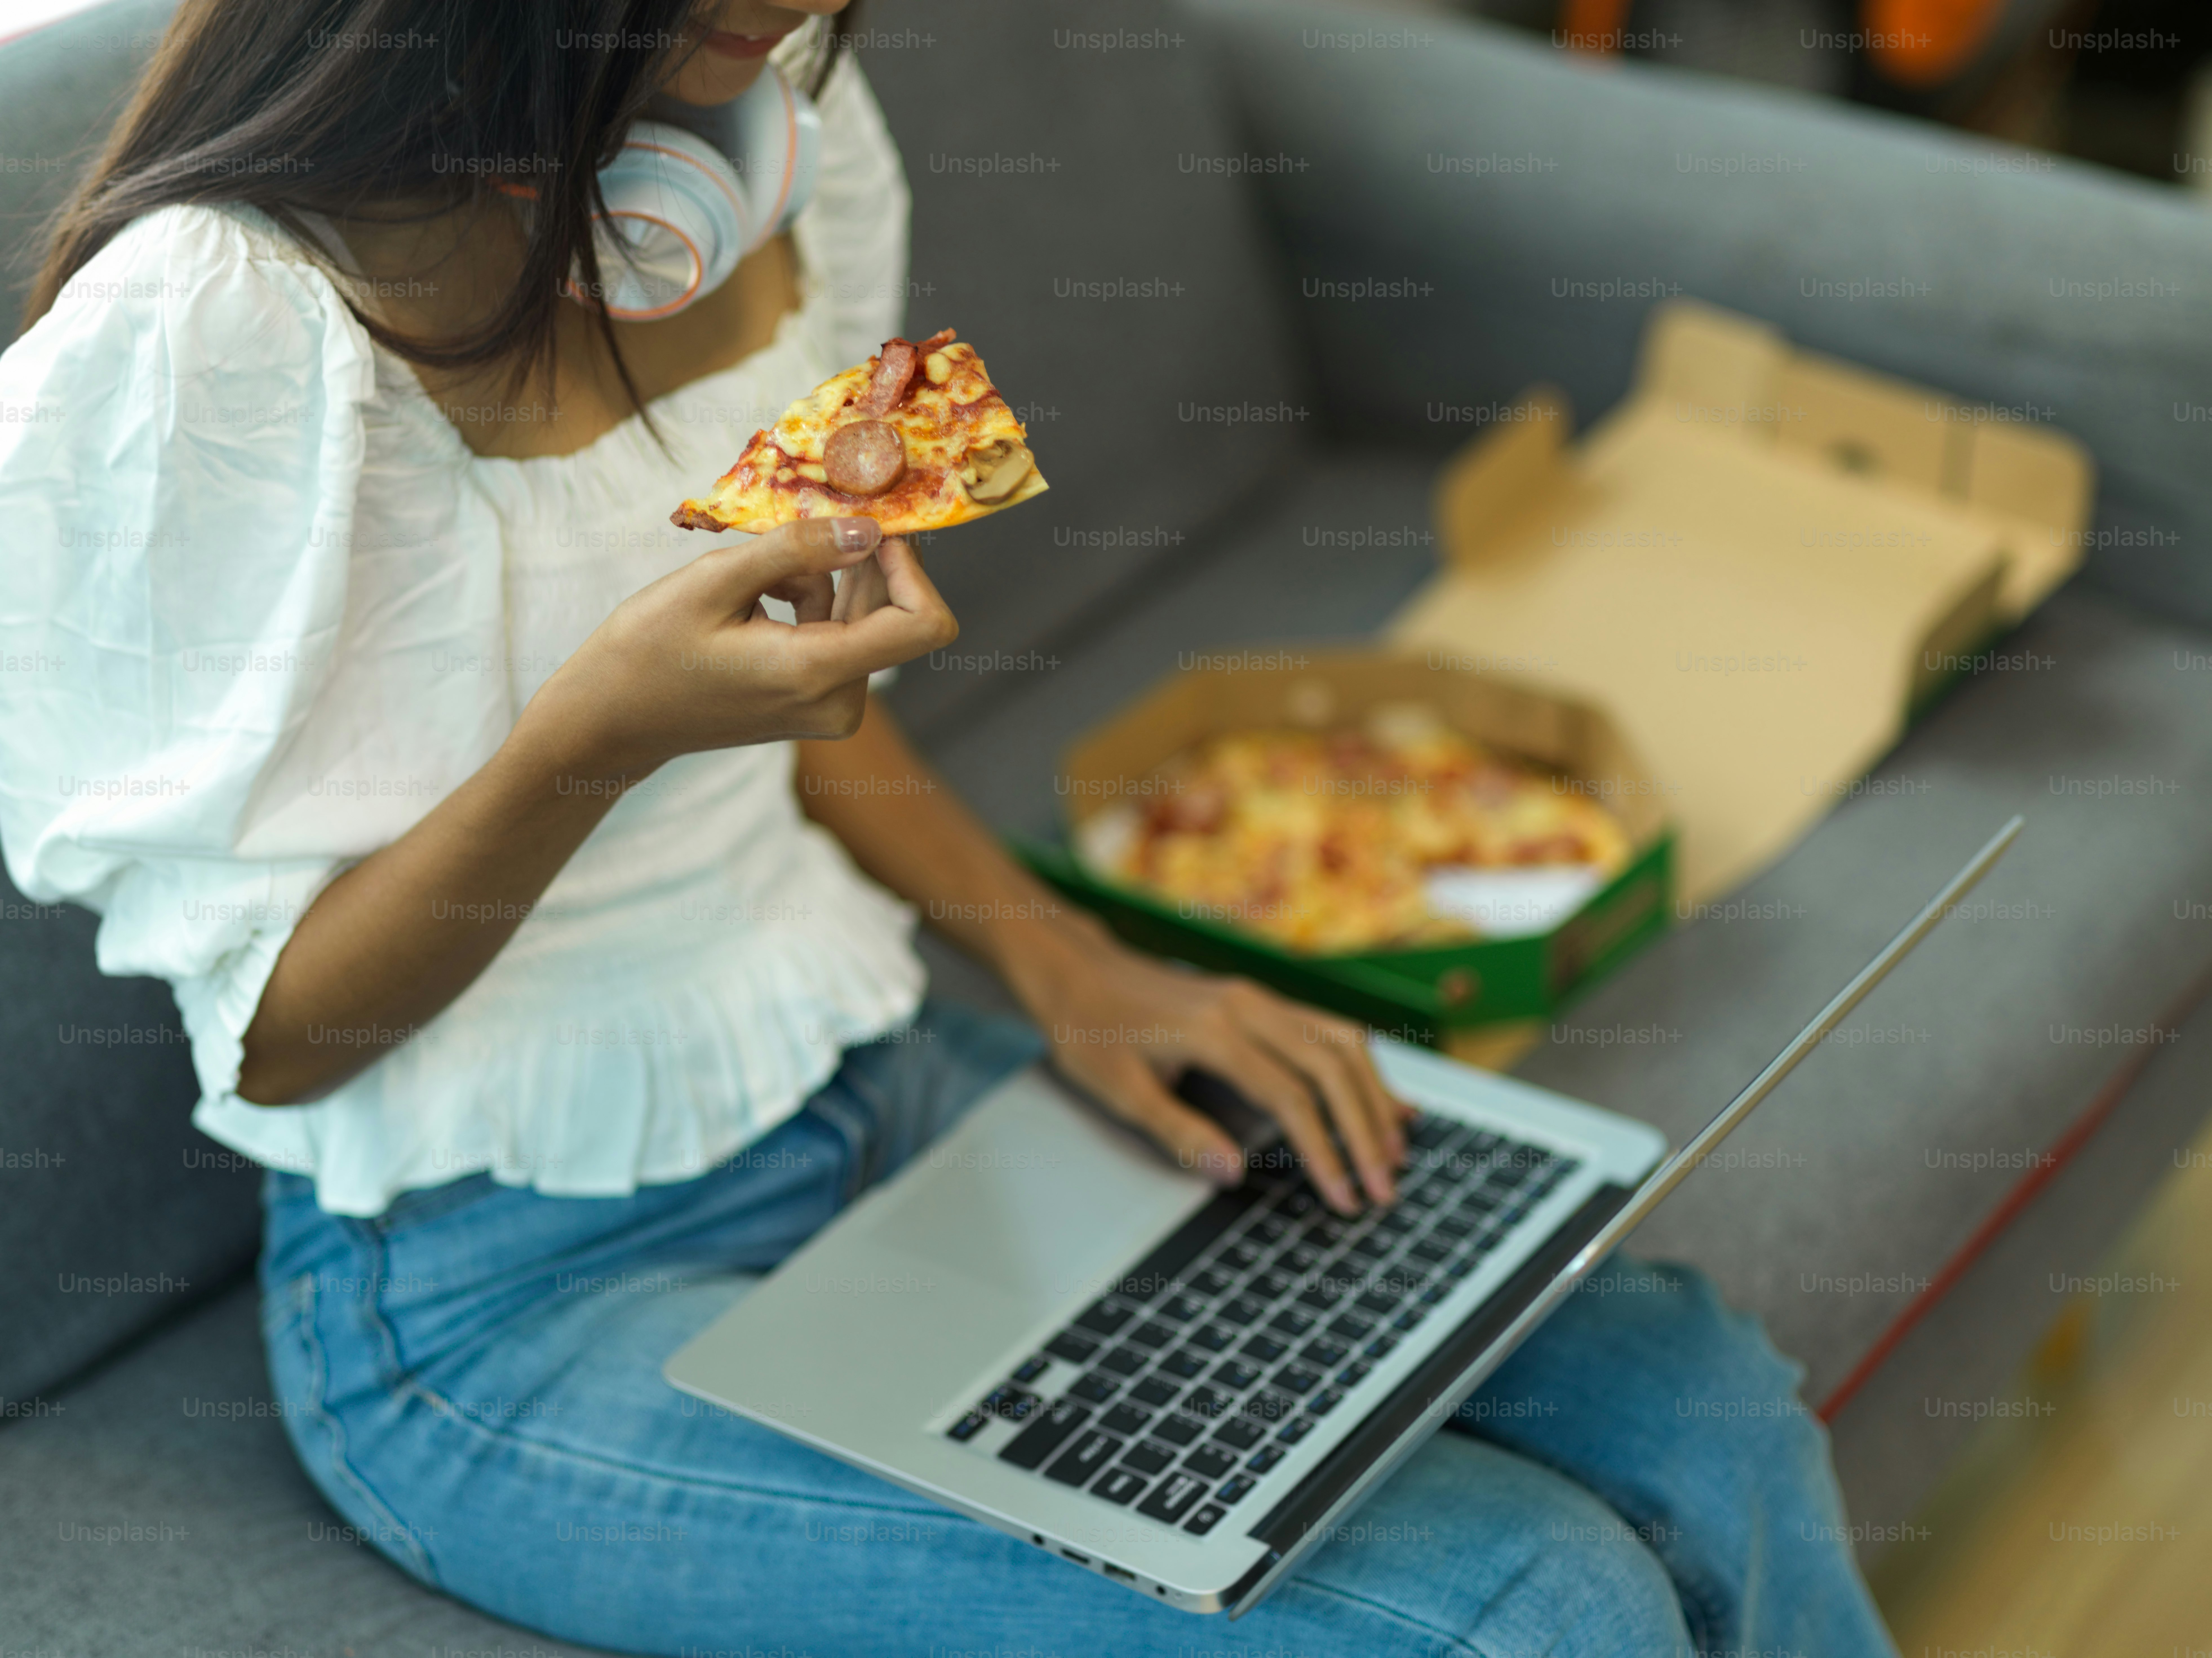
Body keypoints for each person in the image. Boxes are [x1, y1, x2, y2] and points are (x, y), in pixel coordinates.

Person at [0, 3, 1898, 1652]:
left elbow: (797, 714)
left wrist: (1081, 968)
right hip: (485, 1289)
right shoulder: (210, 336)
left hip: (864, 1075)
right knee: (1528, 1606)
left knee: (1695, 1400)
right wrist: (595, 734)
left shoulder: (767, 138)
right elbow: (275, 1036)